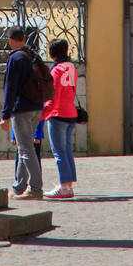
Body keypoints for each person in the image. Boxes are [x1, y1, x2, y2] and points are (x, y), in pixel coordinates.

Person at [0, 26, 43, 199]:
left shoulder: (15, 58)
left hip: (22, 109)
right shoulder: (33, 55)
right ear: (24, 38)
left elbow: (10, 88)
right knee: (25, 148)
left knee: (25, 150)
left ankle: (36, 189)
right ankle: (19, 187)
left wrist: (5, 115)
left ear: (10, 40)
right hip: (37, 107)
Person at [42, 37, 78, 200]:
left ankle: (64, 186)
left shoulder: (56, 70)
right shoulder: (71, 67)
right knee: (67, 151)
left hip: (58, 114)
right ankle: (68, 184)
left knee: (59, 152)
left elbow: (52, 96)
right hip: (71, 113)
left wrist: (40, 116)